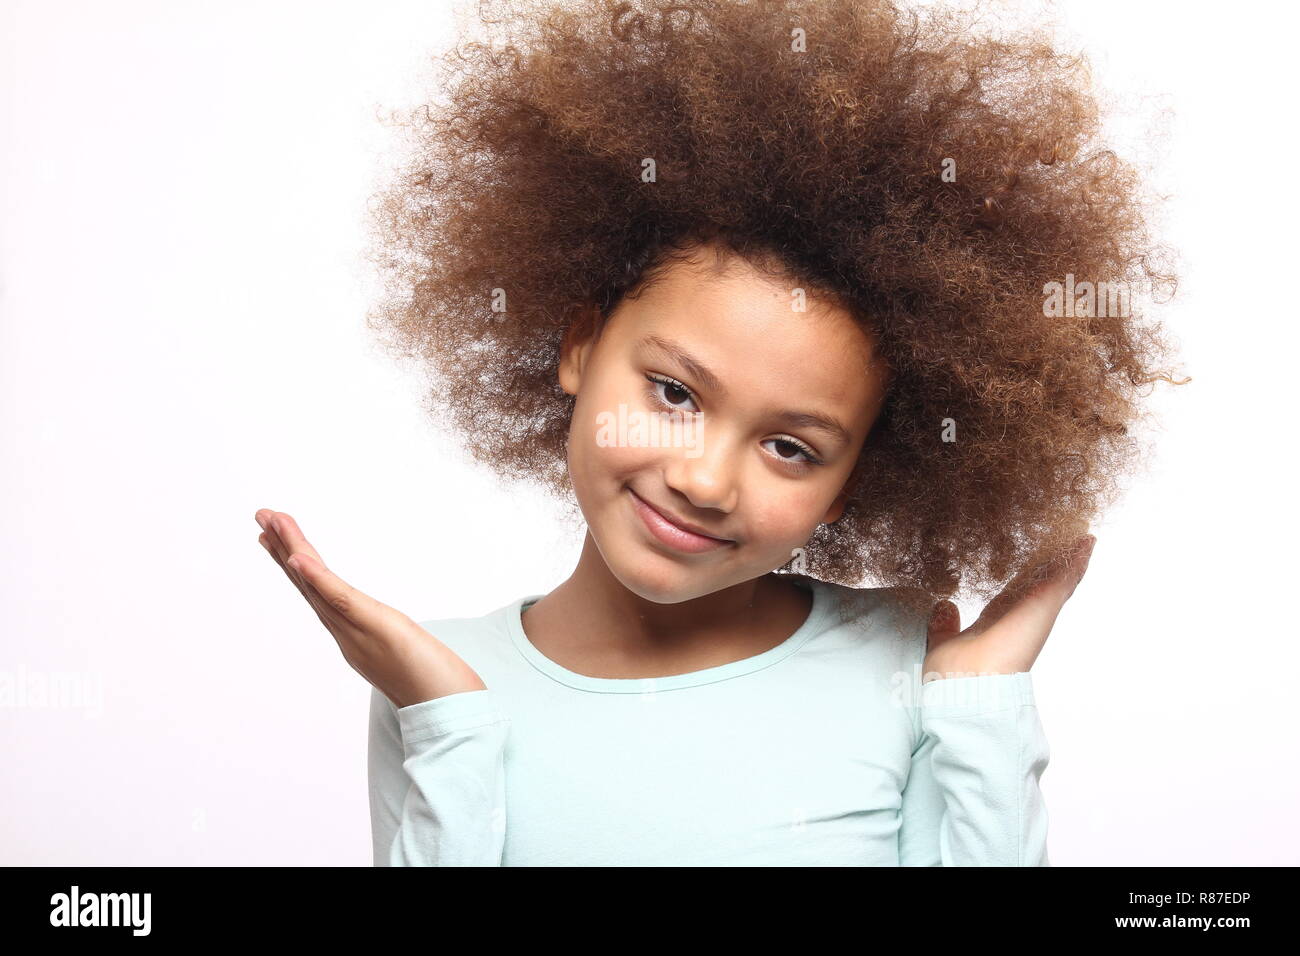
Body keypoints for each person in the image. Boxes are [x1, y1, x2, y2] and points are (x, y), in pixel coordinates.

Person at [255, 0, 1185, 865]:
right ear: (580, 345)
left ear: (854, 478)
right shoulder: (437, 679)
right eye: (673, 391)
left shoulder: (908, 669)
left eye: (792, 447)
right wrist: (447, 720)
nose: (706, 481)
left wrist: (979, 706)